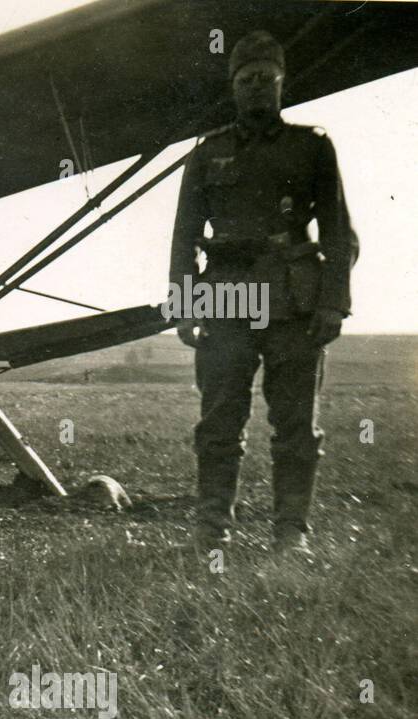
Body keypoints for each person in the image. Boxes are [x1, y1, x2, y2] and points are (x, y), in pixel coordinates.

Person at [168, 31, 356, 556]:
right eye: (245, 80)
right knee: (219, 420)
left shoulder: (311, 147)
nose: (255, 90)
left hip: (292, 297)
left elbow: (339, 233)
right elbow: (184, 237)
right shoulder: (207, 156)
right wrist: (185, 306)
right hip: (227, 295)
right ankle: (211, 533)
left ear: (281, 84)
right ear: (233, 87)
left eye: (265, 80)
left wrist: (333, 303)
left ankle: (290, 533)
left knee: (296, 423)